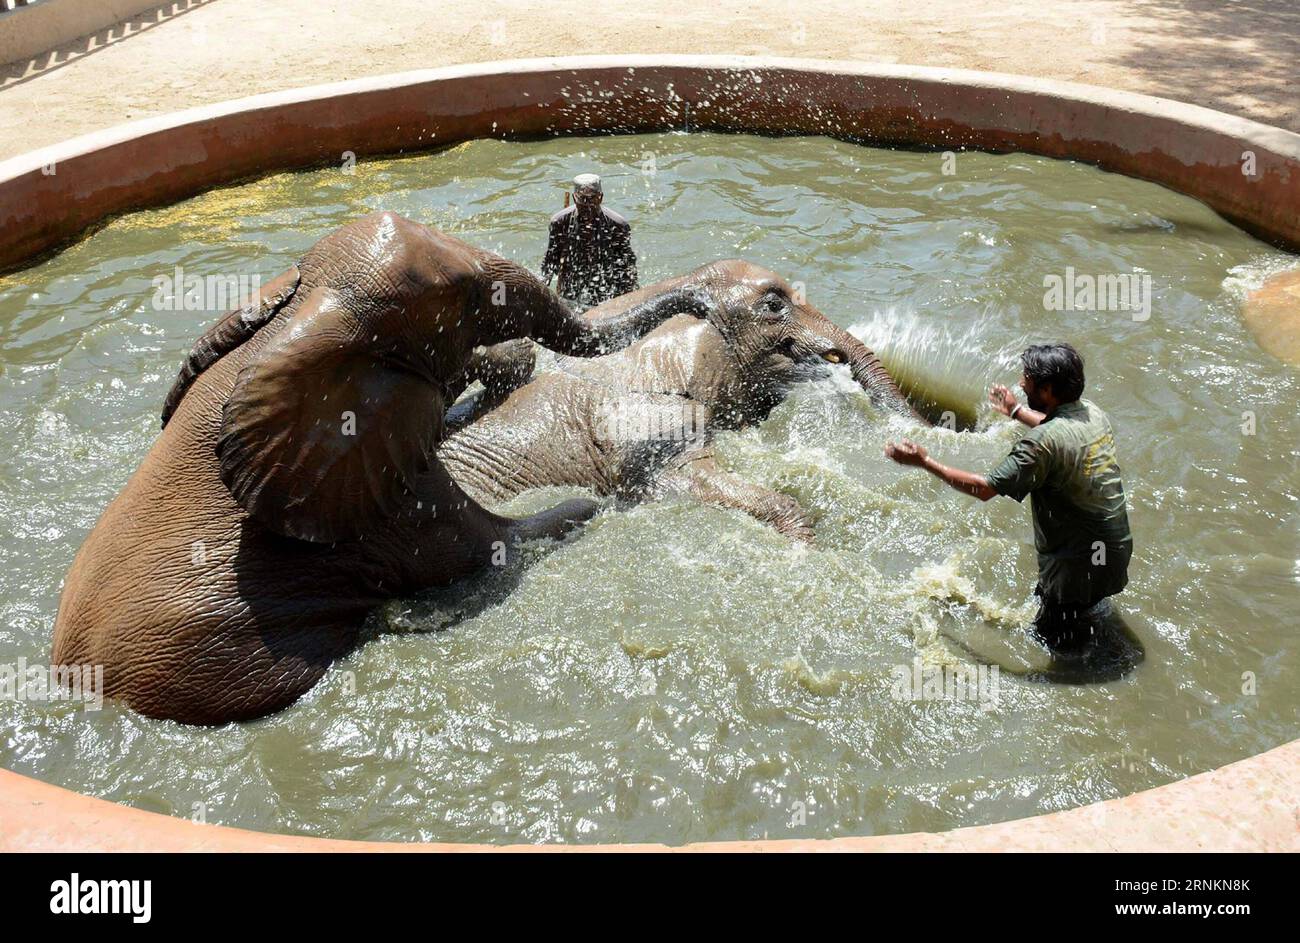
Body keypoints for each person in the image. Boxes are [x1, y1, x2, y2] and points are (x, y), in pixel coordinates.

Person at [884, 343, 1133, 652]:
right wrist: (1016, 411)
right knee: (1085, 617)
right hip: (1113, 552)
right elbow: (1056, 429)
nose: (1021, 383)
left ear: (1048, 389)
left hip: (1074, 567)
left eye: (1027, 378)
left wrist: (923, 462)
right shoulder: (1092, 413)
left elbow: (984, 489)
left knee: (1051, 645)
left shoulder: (1038, 446)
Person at [541, 173, 638, 306]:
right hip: (569, 292)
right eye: (582, 199)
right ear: (575, 199)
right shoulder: (560, 223)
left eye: (593, 199)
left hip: (606, 292)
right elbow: (550, 265)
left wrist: (629, 301)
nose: (588, 205)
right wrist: (541, 296)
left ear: (601, 197)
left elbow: (627, 270)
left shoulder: (618, 226)